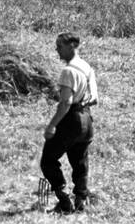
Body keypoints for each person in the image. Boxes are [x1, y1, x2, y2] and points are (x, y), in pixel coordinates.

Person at [41, 33, 98, 214]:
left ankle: (64, 199)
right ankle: (81, 200)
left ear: (71, 46)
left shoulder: (68, 71)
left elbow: (65, 102)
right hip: (87, 120)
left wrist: (52, 125)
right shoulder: (87, 68)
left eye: (59, 46)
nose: (56, 50)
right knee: (80, 161)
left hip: (71, 119)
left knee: (48, 159)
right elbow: (94, 98)